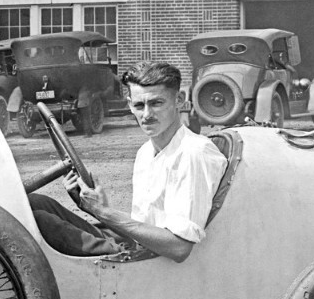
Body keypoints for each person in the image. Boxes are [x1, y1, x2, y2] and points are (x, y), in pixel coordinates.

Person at [28, 60, 227, 263]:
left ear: (179, 100)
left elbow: (179, 247)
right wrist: (97, 207)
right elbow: (143, 226)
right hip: (137, 246)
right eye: (139, 105)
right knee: (34, 203)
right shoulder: (146, 152)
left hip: (153, 263)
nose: (147, 115)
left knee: (39, 221)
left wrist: (102, 212)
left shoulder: (193, 153)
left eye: (157, 103)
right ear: (130, 105)